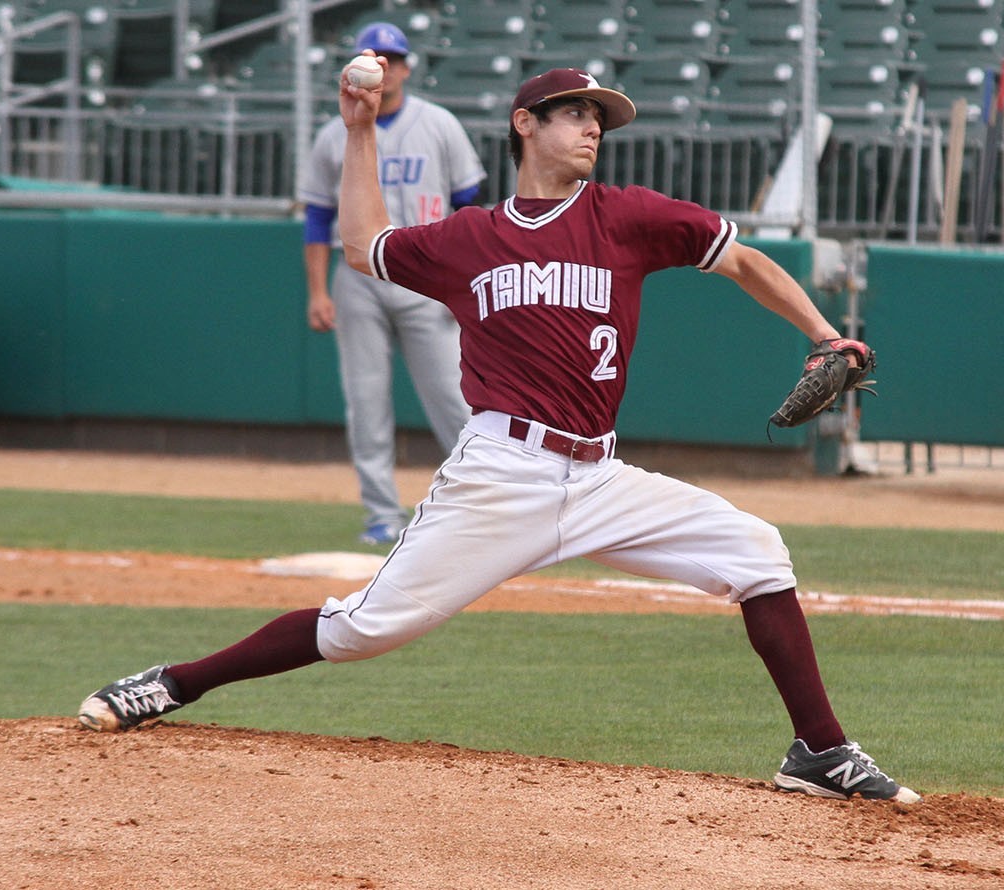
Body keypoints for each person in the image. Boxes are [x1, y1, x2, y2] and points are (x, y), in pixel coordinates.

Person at [77, 64, 921, 805]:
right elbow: (365, 243)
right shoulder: (470, 239)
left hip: (600, 476)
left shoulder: (628, 217)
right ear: (526, 124)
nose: (594, 125)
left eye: (601, 116)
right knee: (364, 630)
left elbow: (741, 258)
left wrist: (824, 333)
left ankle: (819, 750)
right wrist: (360, 131)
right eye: (575, 111)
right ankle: (175, 683)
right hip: (501, 472)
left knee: (757, 553)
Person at [297, 22, 486, 546]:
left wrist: (465, 281)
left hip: (427, 276)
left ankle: (480, 504)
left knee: (456, 398)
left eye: (393, 58)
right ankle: (382, 514)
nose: (384, 65)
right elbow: (317, 216)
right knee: (366, 402)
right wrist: (318, 291)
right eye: (374, 57)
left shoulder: (438, 124)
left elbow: (470, 204)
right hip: (357, 277)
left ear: (405, 67)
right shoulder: (334, 132)